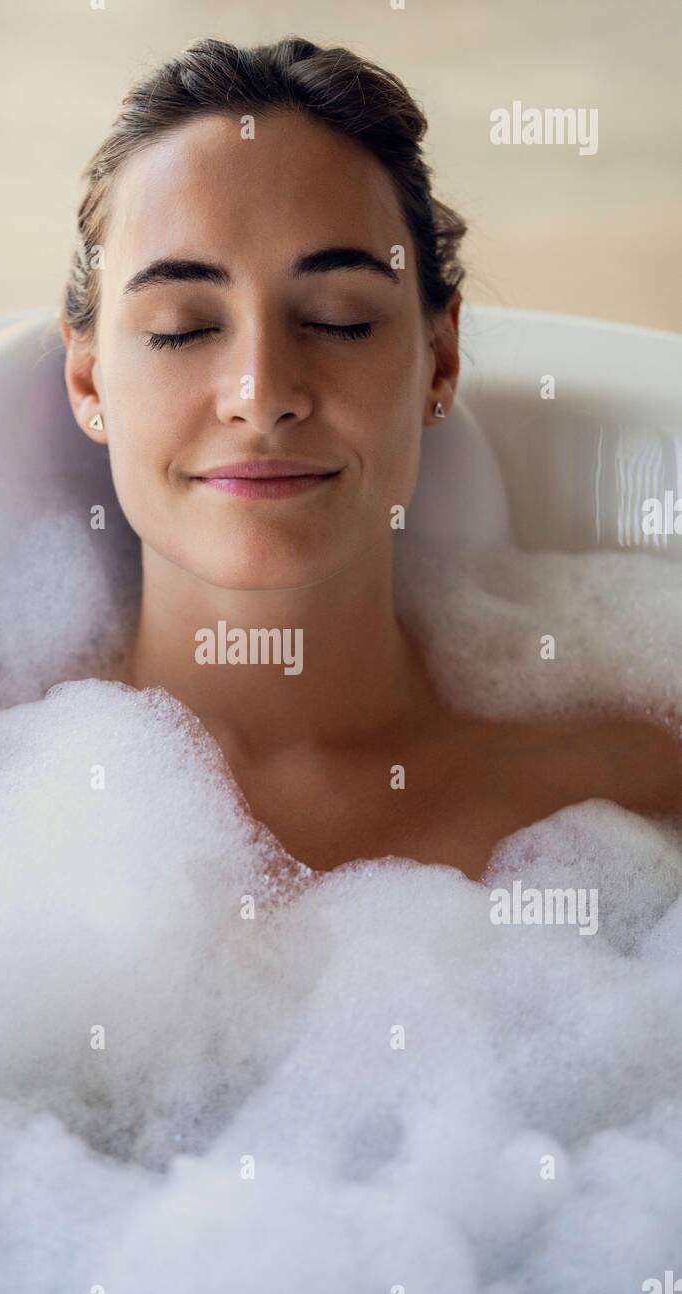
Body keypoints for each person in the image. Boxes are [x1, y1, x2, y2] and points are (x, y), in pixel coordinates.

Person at [59, 35, 678, 880]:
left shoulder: (630, 792)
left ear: (441, 360)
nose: (261, 389)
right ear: (89, 381)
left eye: (340, 318)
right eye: (183, 327)